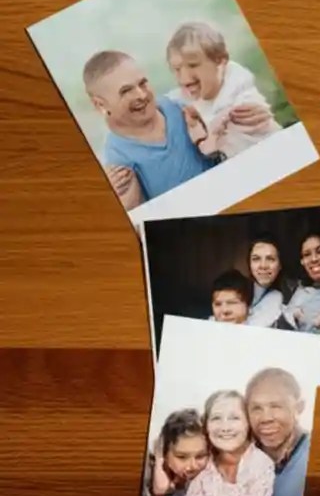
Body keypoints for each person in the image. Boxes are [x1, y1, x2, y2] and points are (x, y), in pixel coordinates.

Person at [83, 50, 214, 210]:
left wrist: (209, 132)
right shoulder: (119, 159)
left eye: (142, 83)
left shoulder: (179, 106)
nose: (141, 94)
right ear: (100, 104)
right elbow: (140, 215)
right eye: (126, 91)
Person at [165, 21, 282, 160]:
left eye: (193, 65)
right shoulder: (186, 98)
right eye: (177, 69)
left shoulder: (244, 101)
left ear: (220, 61)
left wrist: (205, 133)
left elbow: (220, 149)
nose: (184, 78)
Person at [180, 390, 275, 496]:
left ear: (248, 424)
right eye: (216, 418)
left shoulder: (261, 465)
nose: (225, 427)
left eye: (234, 418)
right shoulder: (203, 462)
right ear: (206, 425)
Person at [246, 367, 311, 496]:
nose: (266, 418)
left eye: (276, 406)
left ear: (299, 408)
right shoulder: (242, 459)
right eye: (256, 408)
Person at [140, 409, 209, 496]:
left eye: (200, 456)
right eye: (181, 457)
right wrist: (159, 464)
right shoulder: (148, 471)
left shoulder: (206, 478)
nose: (192, 465)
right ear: (164, 451)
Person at [246, 233, 294, 327]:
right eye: (256, 259)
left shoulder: (291, 297)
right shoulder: (238, 291)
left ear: (280, 265)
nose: (263, 266)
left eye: (270, 259)